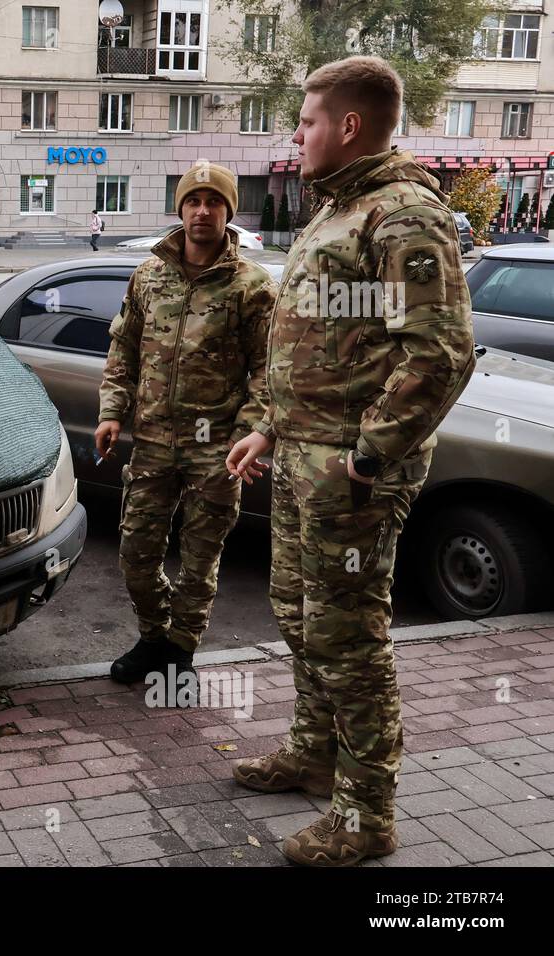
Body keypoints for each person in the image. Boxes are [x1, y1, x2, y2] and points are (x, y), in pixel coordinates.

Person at [225, 56, 476, 866]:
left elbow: (437, 355)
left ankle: (367, 816)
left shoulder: (401, 215)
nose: (294, 136)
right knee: (302, 621)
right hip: (301, 459)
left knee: (350, 639)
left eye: (304, 122)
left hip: (351, 478)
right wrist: (269, 425)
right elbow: (319, 344)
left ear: (349, 126)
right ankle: (313, 753)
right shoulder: (338, 210)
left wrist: (367, 460)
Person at [96, 162, 276, 696]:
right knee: (136, 553)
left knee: (200, 559)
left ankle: (180, 651)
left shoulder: (252, 286)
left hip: (216, 450)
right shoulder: (148, 275)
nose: (203, 211)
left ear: (228, 212)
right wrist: (112, 411)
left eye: (214, 202)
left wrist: (251, 430)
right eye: (193, 201)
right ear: (180, 209)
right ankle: (152, 635)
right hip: (152, 440)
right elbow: (123, 347)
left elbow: (268, 370)